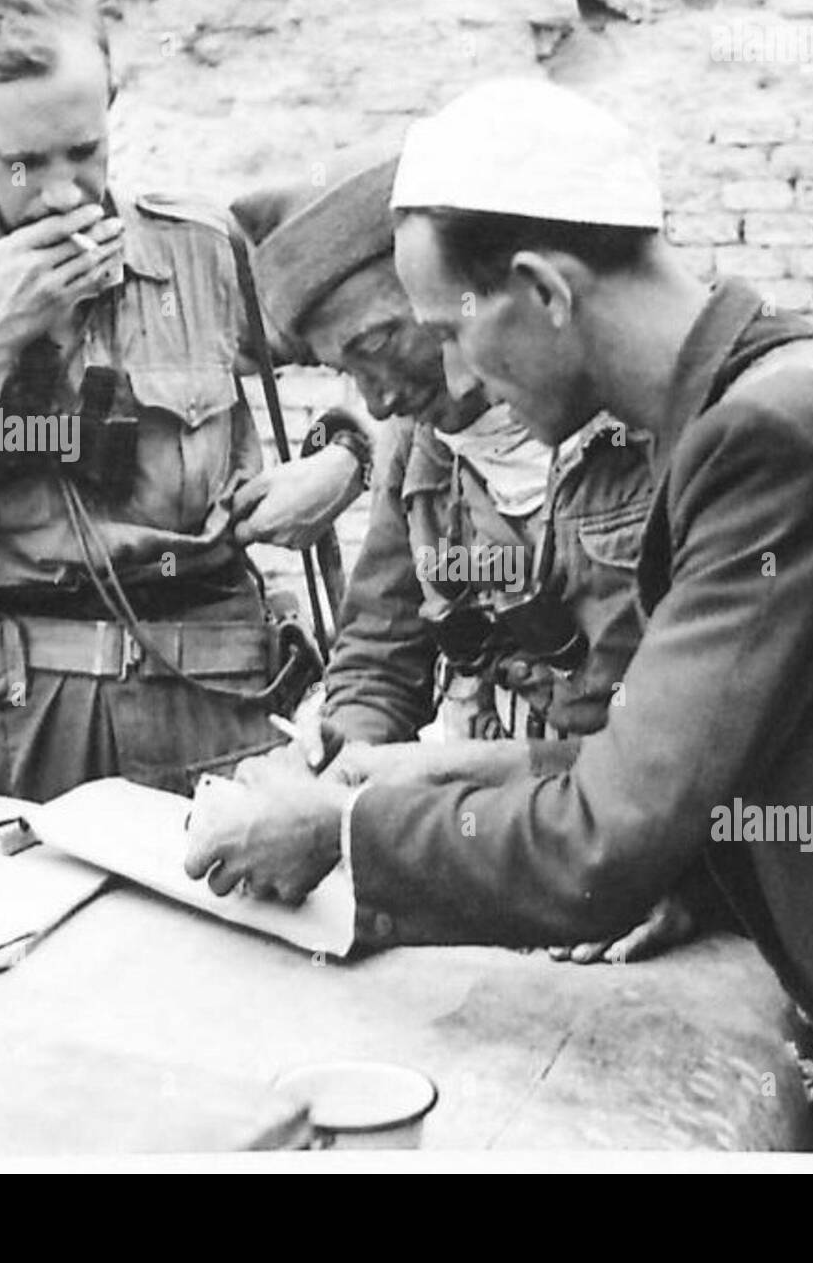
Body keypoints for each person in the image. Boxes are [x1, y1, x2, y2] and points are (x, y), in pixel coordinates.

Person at [184, 79, 813, 1155]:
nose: (448, 384)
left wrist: (337, 834)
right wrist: (441, 772)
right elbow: (700, 756)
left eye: (451, 336)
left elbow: (605, 839)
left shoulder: (774, 441)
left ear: (542, 290)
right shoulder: (773, 398)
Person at [0, 0, 367, 800]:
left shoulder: (201, 251)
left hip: (213, 706)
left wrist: (346, 460)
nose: (61, 193)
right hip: (23, 728)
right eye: (24, 165)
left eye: (84, 152)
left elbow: (415, 356)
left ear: (111, 105)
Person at [234, 152, 716, 962]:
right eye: (346, 372)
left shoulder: (661, 425)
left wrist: (686, 873)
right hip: (519, 845)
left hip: (654, 842)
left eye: (383, 343)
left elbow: (711, 739)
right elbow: (383, 650)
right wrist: (334, 765)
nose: (378, 397)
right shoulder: (421, 447)